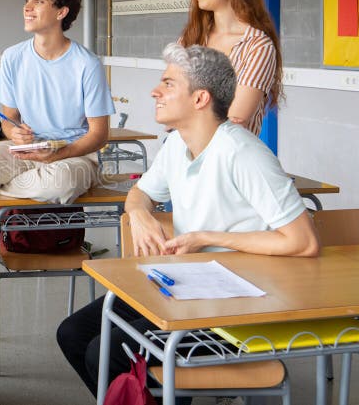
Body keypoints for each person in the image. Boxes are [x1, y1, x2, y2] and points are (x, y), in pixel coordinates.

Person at [56, 43, 319, 400]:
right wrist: (139, 214)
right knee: (73, 333)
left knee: (109, 350)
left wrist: (208, 237)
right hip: (191, 289)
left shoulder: (242, 153)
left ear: (200, 99)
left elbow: (302, 241)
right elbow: (140, 194)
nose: (155, 91)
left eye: (168, 84)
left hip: (240, 308)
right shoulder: (177, 145)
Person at [0, 0, 115, 337]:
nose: (27, 6)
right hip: (25, 149)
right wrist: (13, 130)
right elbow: (7, 120)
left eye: (39, 0)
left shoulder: (87, 65)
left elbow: (99, 134)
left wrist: (62, 152)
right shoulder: (14, 57)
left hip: (72, 156)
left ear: (61, 11)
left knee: (60, 182)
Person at [180, 0, 283, 136]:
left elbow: (232, 123)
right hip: (183, 154)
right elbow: (172, 101)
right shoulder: (190, 39)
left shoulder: (258, 46)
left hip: (228, 162)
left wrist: (185, 109)